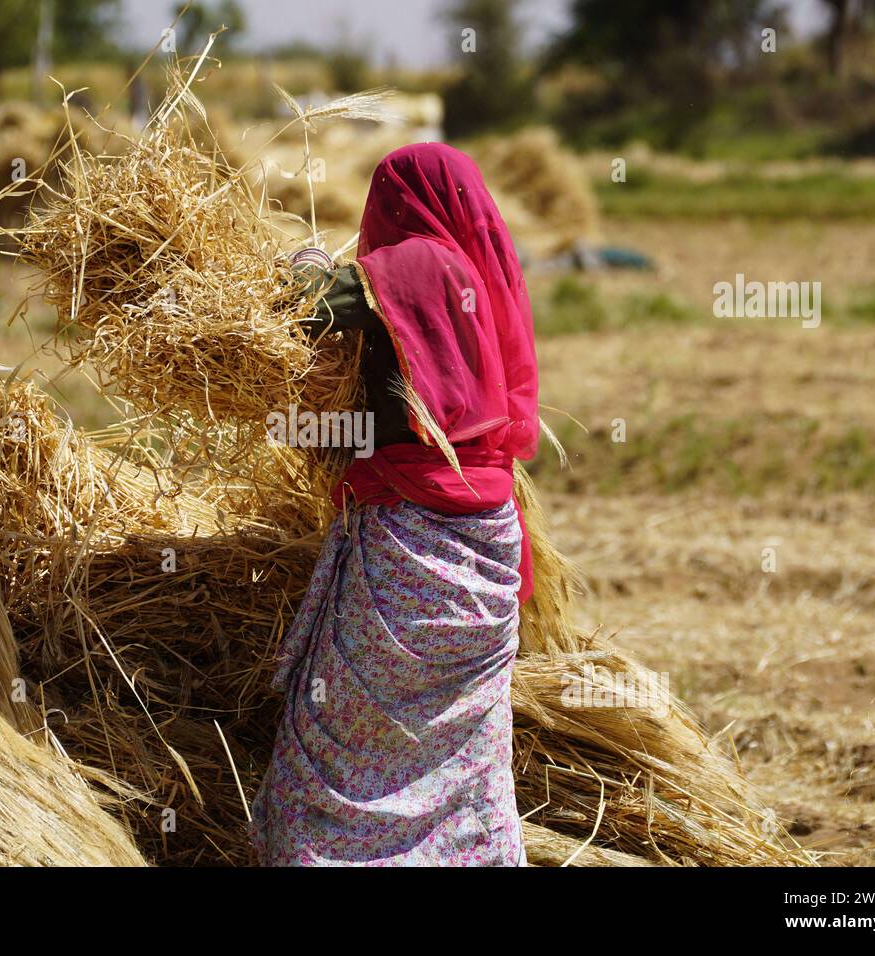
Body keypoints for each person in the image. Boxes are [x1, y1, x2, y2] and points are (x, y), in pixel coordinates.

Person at [250, 142, 539, 866]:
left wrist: (307, 266)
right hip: (488, 541)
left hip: (410, 543)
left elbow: (299, 314)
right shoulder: (476, 276)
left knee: (343, 737)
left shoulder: (412, 269)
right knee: (467, 754)